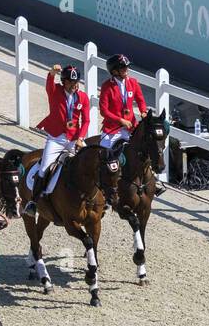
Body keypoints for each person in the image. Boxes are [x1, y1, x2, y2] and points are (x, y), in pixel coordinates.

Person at [25, 64, 90, 215]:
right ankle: (33, 202)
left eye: (77, 82)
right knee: (44, 168)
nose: (75, 85)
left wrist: (80, 138)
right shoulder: (54, 91)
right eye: (71, 82)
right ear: (64, 82)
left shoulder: (83, 97)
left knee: (91, 163)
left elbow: (86, 120)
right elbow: (49, 82)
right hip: (56, 138)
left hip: (74, 139)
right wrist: (52, 72)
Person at [98, 54, 146, 151]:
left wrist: (143, 112)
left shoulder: (133, 82)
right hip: (113, 129)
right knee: (103, 154)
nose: (127, 70)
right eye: (123, 68)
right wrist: (121, 120)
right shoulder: (106, 86)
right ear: (115, 71)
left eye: (127, 67)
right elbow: (104, 111)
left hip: (131, 127)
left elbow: (140, 100)